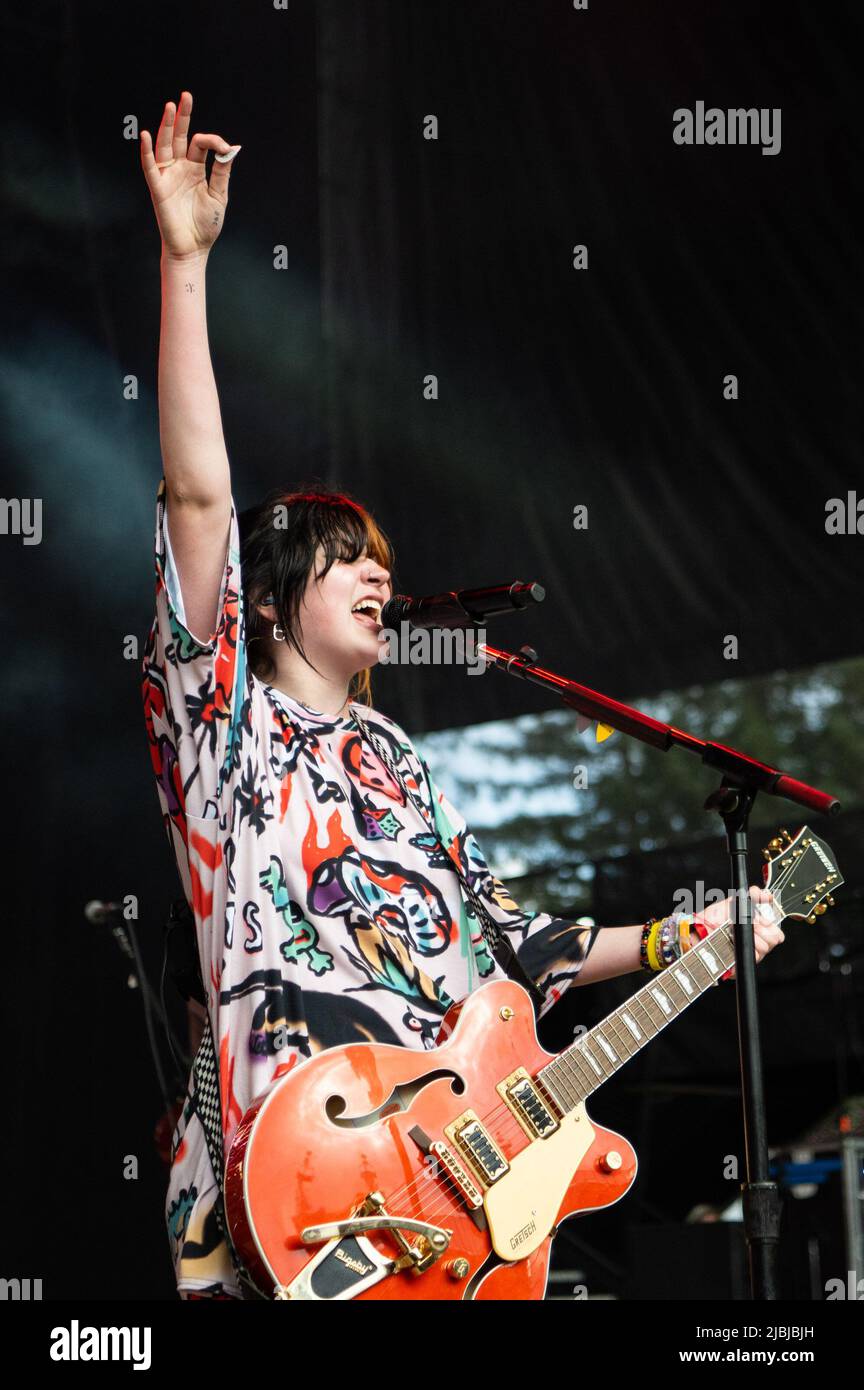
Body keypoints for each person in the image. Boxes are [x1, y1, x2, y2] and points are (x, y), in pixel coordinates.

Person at [139, 91, 786, 1301]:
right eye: (346, 557)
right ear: (268, 604)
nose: (381, 571)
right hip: (296, 1170)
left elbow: (521, 947)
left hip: (437, 1199)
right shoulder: (224, 716)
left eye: (383, 555)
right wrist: (187, 265)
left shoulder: (397, 755)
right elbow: (195, 497)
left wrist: (692, 933)